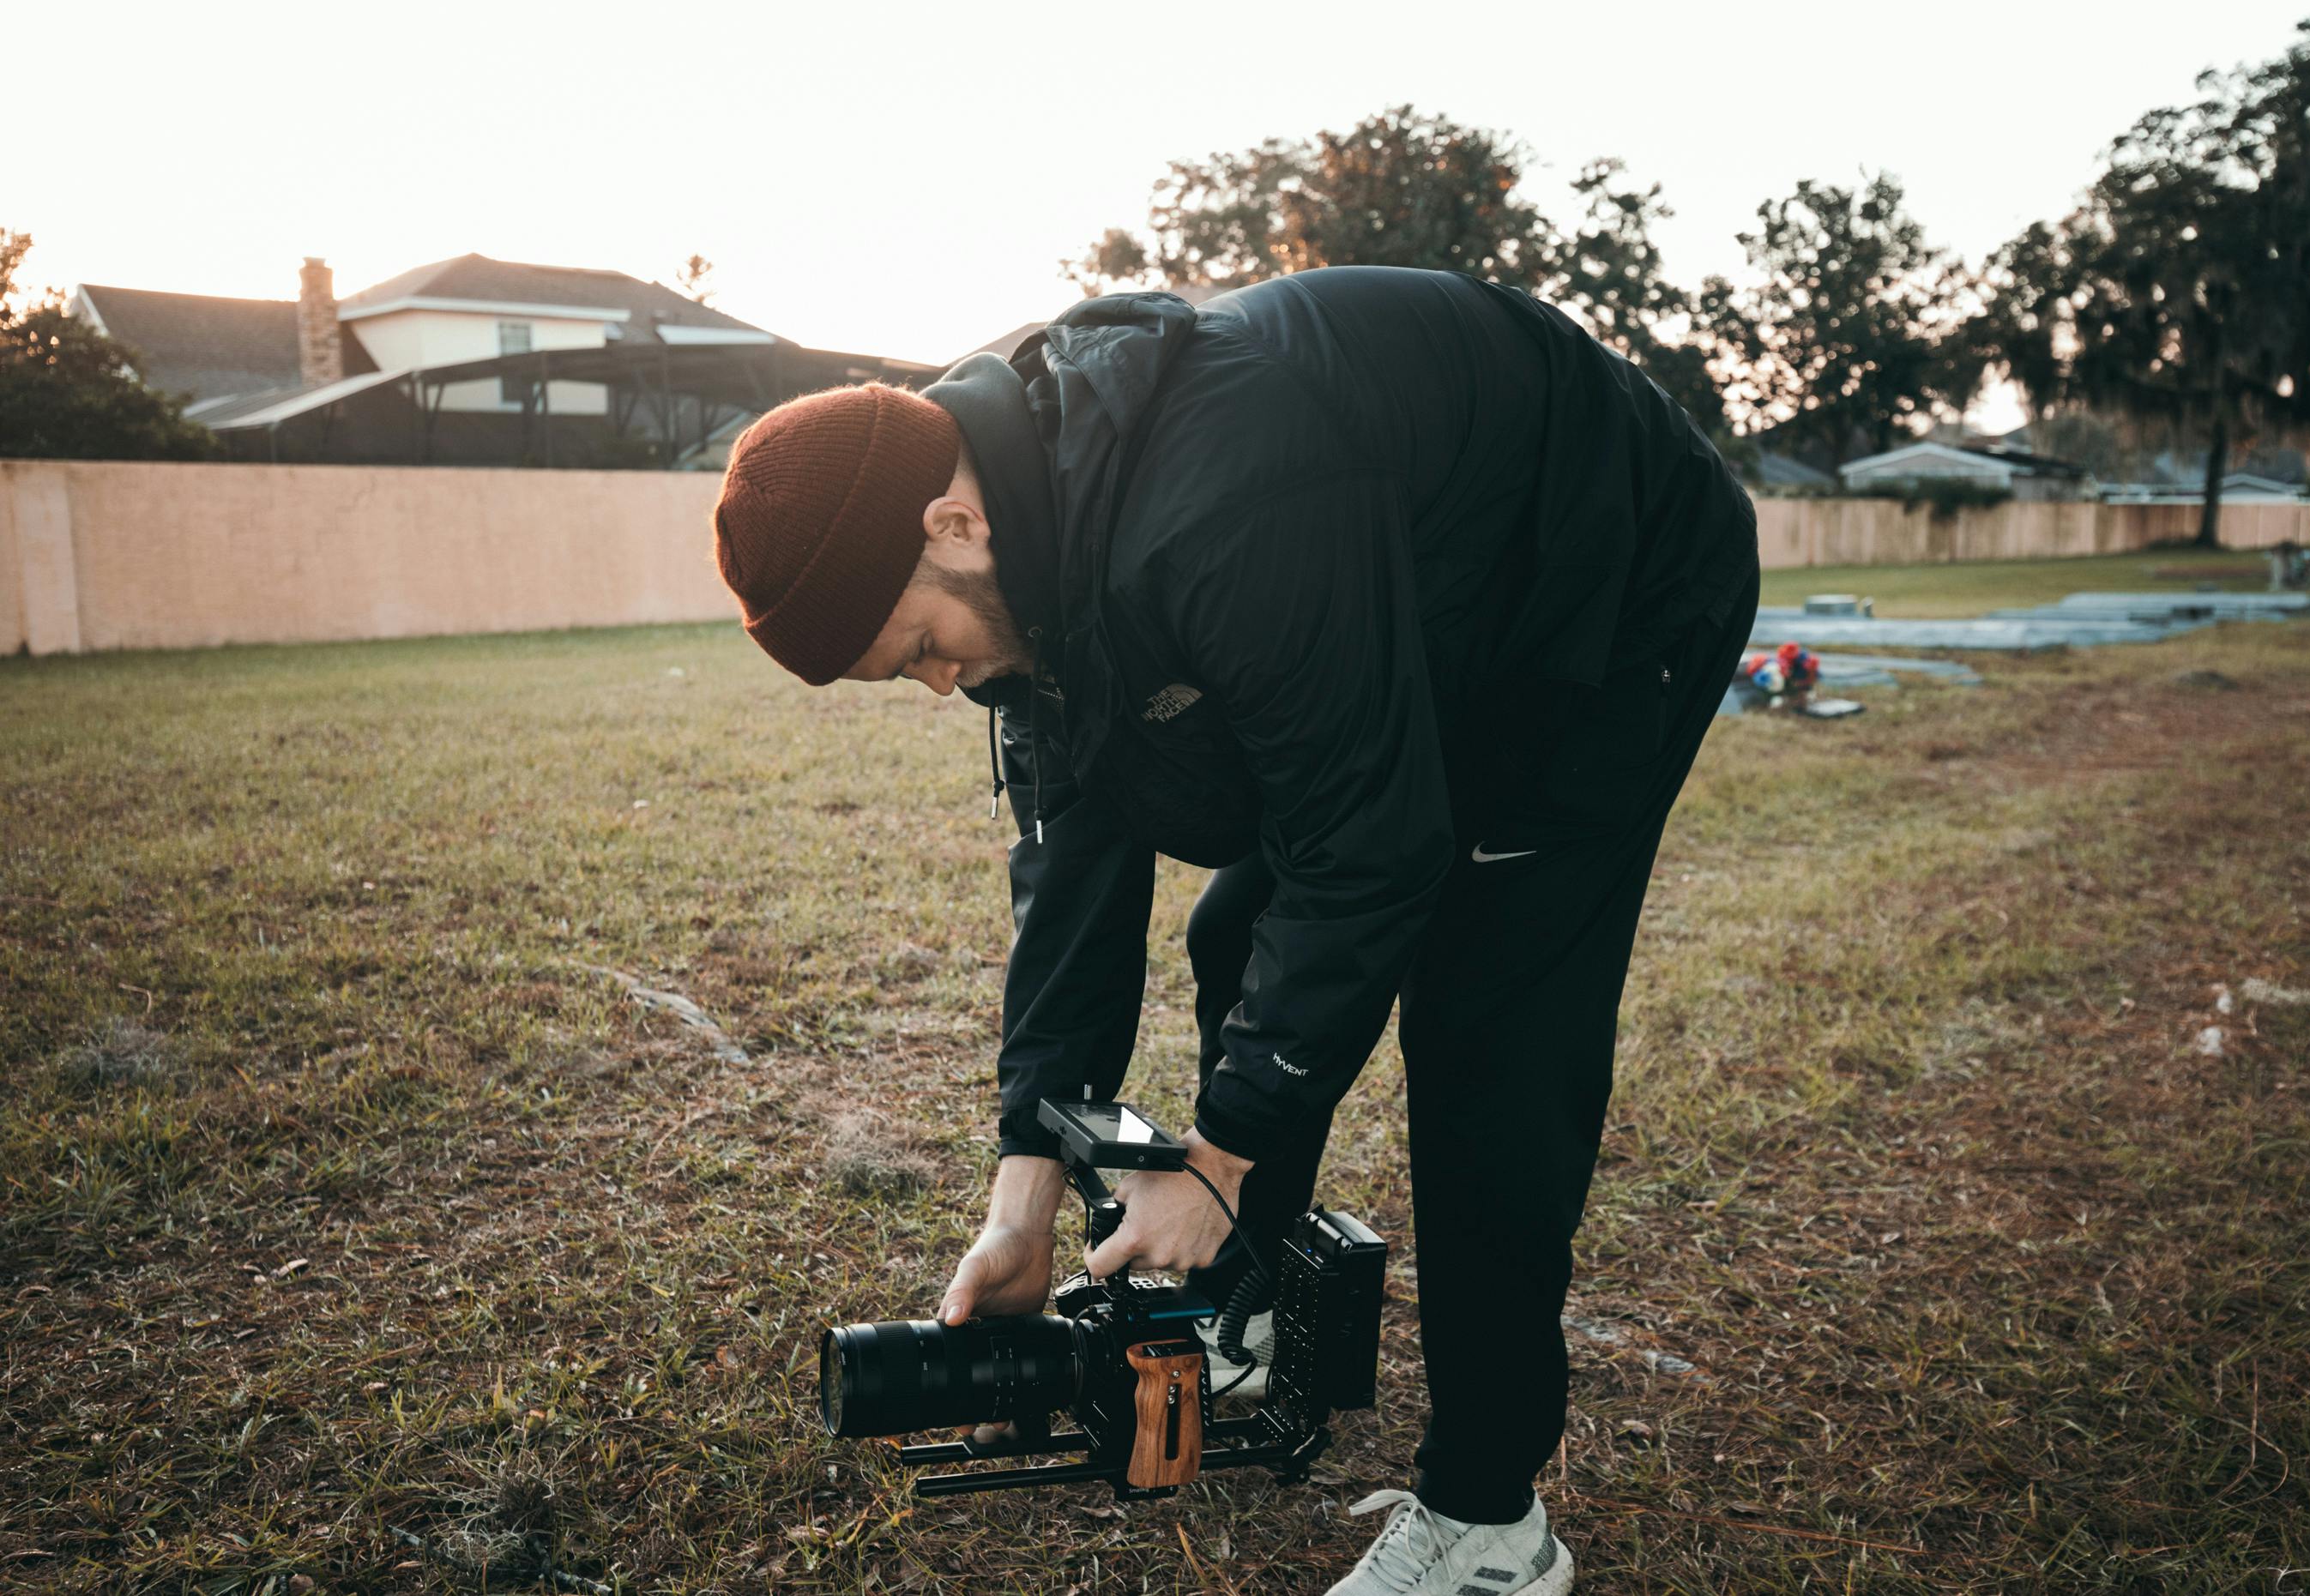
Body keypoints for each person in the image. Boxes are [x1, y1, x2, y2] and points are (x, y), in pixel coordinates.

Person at [710, 265, 1759, 1596]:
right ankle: (1235, 1307)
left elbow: (1373, 850)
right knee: (1237, 937)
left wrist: (1212, 1161)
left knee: (1488, 1019)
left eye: (917, 646)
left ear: (955, 522)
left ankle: (1493, 1524)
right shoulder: (1025, 518)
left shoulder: (1220, 496)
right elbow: (1072, 877)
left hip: (1600, 589)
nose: (938, 687)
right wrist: (1022, 1199)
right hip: (1412, 608)